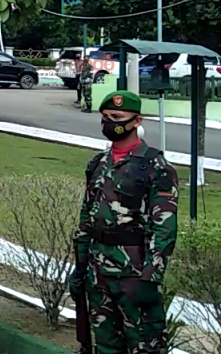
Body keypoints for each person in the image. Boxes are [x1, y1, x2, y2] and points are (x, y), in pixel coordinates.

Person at [69, 90, 177, 354]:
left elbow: (164, 228)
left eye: (116, 117)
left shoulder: (156, 166)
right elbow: (87, 219)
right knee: (105, 345)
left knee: (144, 346)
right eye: (105, 117)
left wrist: (152, 278)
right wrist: (80, 267)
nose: (109, 123)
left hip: (134, 274)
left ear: (136, 121)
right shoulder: (97, 163)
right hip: (97, 273)